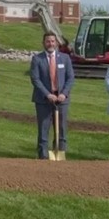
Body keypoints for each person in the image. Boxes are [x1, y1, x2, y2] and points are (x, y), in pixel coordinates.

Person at [30, 31, 74, 159]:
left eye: (53, 41)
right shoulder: (37, 59)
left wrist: (64, 94)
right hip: (43, 99)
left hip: (61, 100)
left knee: (61, 128)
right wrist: (48, 94)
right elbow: (35, 79)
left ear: (56, 43)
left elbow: (70, 78)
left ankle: (60, 153)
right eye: (48, 41)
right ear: (43, 43)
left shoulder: (65, 58)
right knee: (43, 128)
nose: (50, 44)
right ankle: (43, 155)